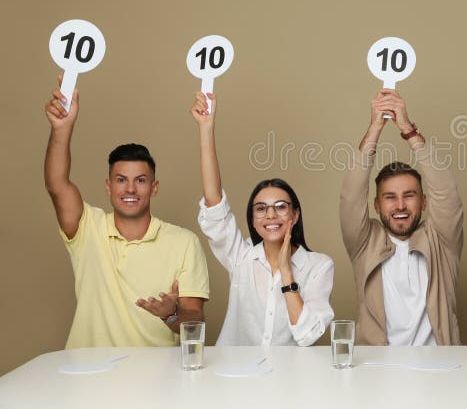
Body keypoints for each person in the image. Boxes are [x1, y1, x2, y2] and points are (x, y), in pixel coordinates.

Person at [43, 78, 209, 348]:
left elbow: (195, 319)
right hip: (89, 368)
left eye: (140, 180)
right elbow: (56, 184)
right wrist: (62, 128)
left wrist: (172, 314)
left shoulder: (184, 242)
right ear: (109, 187)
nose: (130, 188)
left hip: (155, 372)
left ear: (154, 188)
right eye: (121, 180)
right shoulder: (87, 227)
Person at [191, 92, 334, 346]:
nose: (270, 215)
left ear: (295, 214)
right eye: (261, 208)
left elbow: (307, 336)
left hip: (288, 372)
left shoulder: (319, 267)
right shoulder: (241, 257)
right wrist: (206, 128)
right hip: (235, 370)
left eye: (280, 207)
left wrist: (286, 272)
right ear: (253, 218)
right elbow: (214, 202)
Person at [339, 89, 464, 345]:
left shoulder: (441, 240)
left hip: (439, 364)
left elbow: (446, 192)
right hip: (378, 364)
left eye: (409, 195)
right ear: (376, 205)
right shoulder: (365, 243)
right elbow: (351, 196)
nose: (400, 205)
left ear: (424, 201)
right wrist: (374, 128)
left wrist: (408, 130)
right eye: (390, 197)